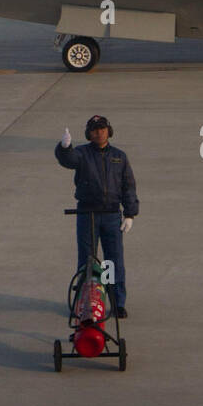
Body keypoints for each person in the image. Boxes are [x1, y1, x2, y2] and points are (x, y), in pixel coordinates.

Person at [55, 114, 138, 319]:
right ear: (88, 133)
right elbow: (68, 160)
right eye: (94, 129)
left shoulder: (119, 156)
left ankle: (117, 302)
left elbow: (128, 186)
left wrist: (130, 213)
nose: (99, 132)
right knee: (87, 261)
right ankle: (84, 302)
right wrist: (64, 148)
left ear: (109, 131)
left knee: (113, 261)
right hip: (87, 213)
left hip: (111, 215)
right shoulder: (82, 153)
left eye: (102, 128)